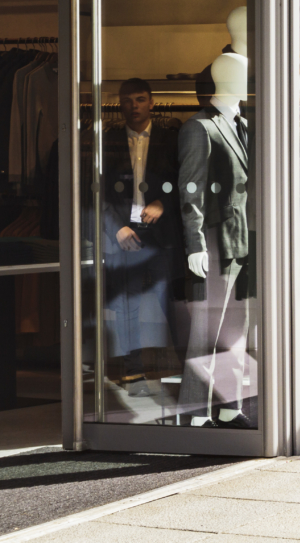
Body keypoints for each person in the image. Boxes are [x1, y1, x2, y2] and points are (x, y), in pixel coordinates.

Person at [102, 78, 180, 381]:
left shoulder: (170, 139)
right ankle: (134, 370)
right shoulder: (107, 141)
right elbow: (95, 192)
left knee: (168, 302)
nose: (133, 106)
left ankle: (176, 369)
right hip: (124, 233)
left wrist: (163, 202)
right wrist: (115, 228)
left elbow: (184, 183)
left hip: (160, 233)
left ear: (152, 102)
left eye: (140, 99)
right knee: (126, 304)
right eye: (127, 100)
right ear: (118, 105)